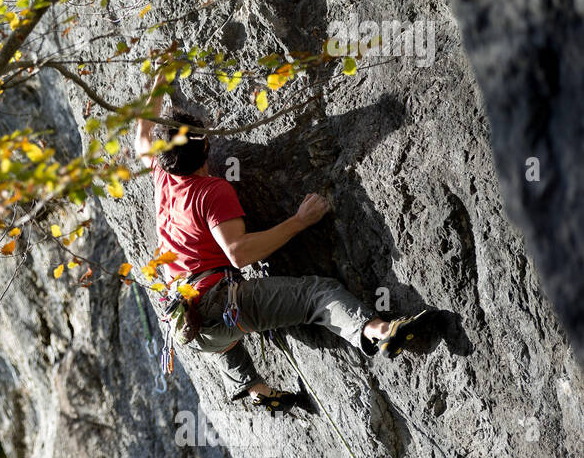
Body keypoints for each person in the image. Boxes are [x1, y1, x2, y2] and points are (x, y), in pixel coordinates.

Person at [133, 77, 436, 414]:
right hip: (219, 303)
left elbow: (141, 137)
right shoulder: (211, 192)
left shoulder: (162, 176)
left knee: (220, 338)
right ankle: (378, 331)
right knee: (316, 295)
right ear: (205, 147)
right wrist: (299, 221)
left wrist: (158, 85)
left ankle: (255, 389)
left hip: (185, 320)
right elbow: (239, 252)